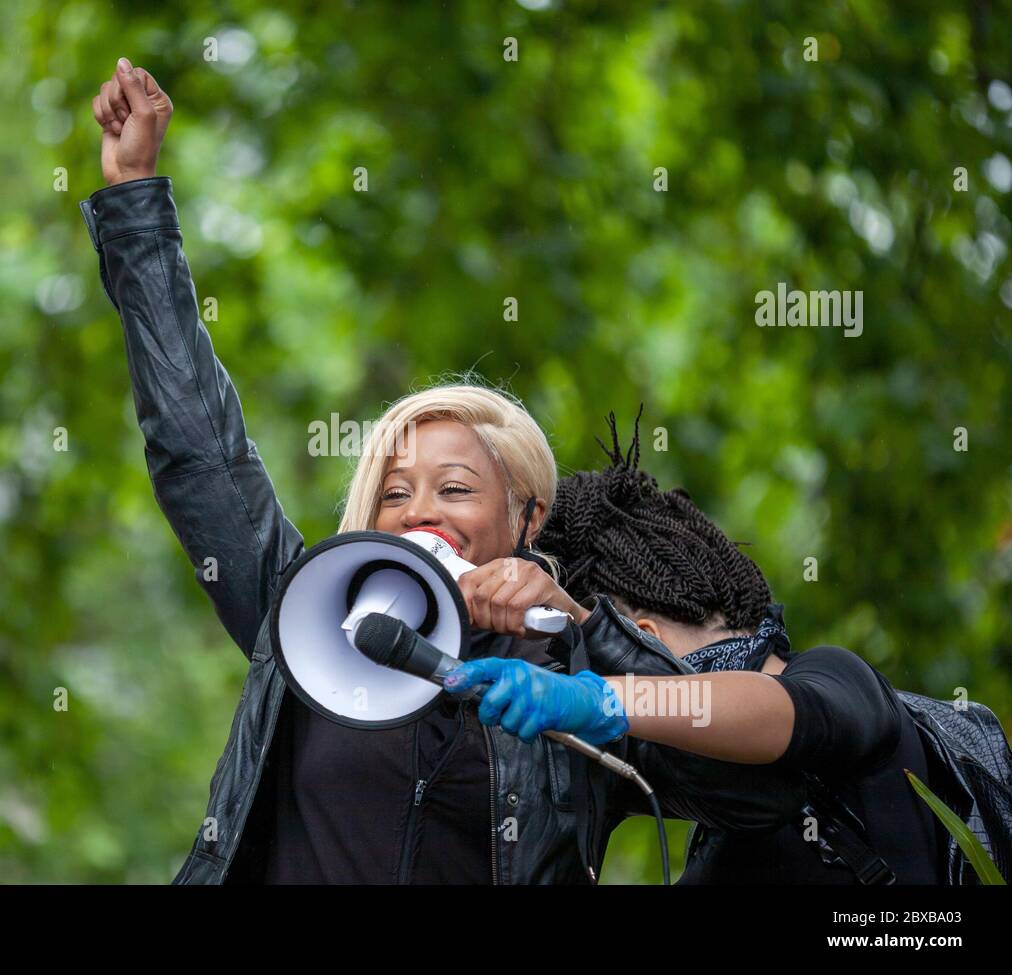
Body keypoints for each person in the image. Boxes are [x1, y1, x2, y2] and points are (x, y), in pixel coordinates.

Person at [82, 58, 805, 884]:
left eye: (455, 488)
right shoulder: (301, 617)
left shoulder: (569, 678)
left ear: (528, 517)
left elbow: (764, 790)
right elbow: (196, 446)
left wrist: (583, 630)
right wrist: (136, 197)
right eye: (394, 491)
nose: (419, 508)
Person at [448, 412, 946, 883]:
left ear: (645, 634)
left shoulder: (837, 677)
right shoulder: (713, 827)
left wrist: (594, 683)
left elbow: (779, 715)